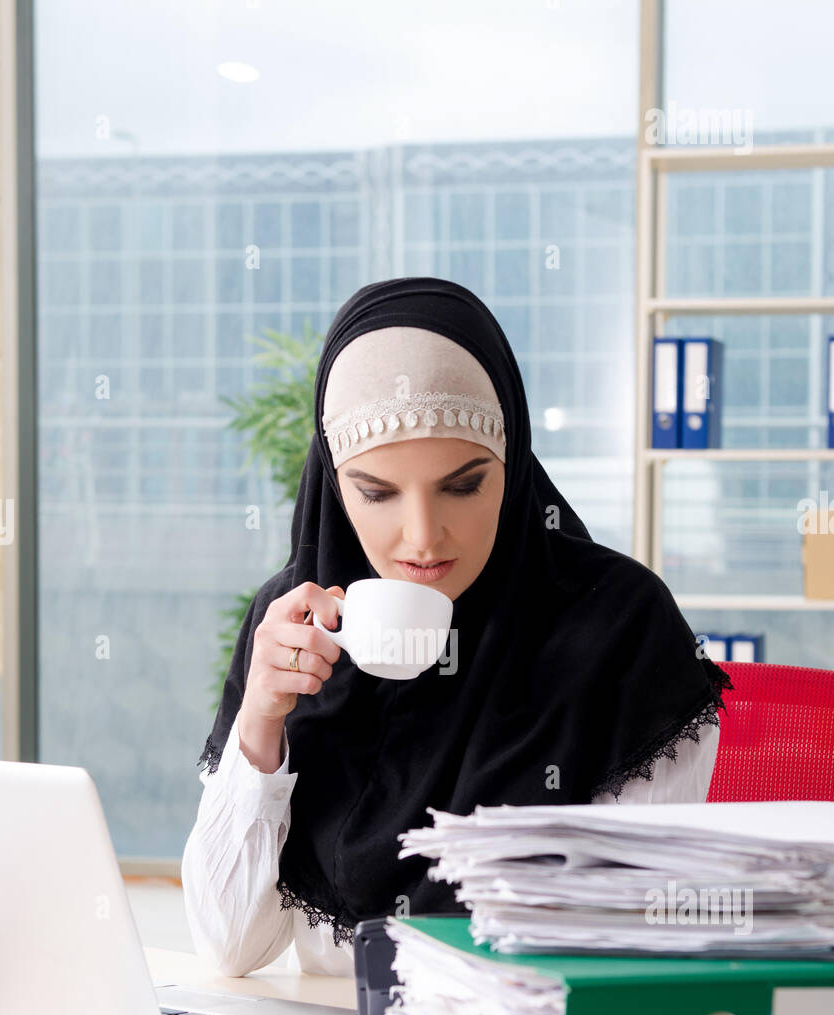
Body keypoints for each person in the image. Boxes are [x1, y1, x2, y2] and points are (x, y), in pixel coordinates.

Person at [181, 276, 731, 978]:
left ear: (514, 460)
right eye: (376, 493)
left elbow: (635, 937)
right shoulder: (293, 623)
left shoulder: (620, 626)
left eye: (464, 484)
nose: (421, 538)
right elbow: (233, 948)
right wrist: (260, 726)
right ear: (332, 481)